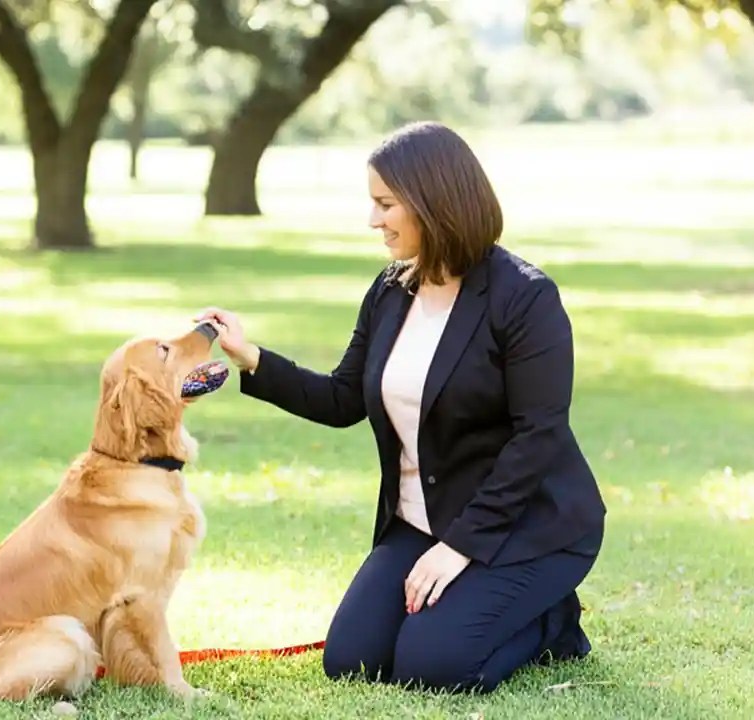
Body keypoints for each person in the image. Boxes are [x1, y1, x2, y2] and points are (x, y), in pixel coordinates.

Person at [194, 121, 606, 694]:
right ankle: (487, 607)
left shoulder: (525, 297)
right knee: (352, 661)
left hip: (528, 526)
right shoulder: (392, 289)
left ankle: (550, 620)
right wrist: (252, 357)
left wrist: (460, 547)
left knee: (431, 667)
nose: (373, 220)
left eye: (385, 204)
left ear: (433, 202)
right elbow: (343, 398)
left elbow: (538, 436)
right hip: (422, 520)